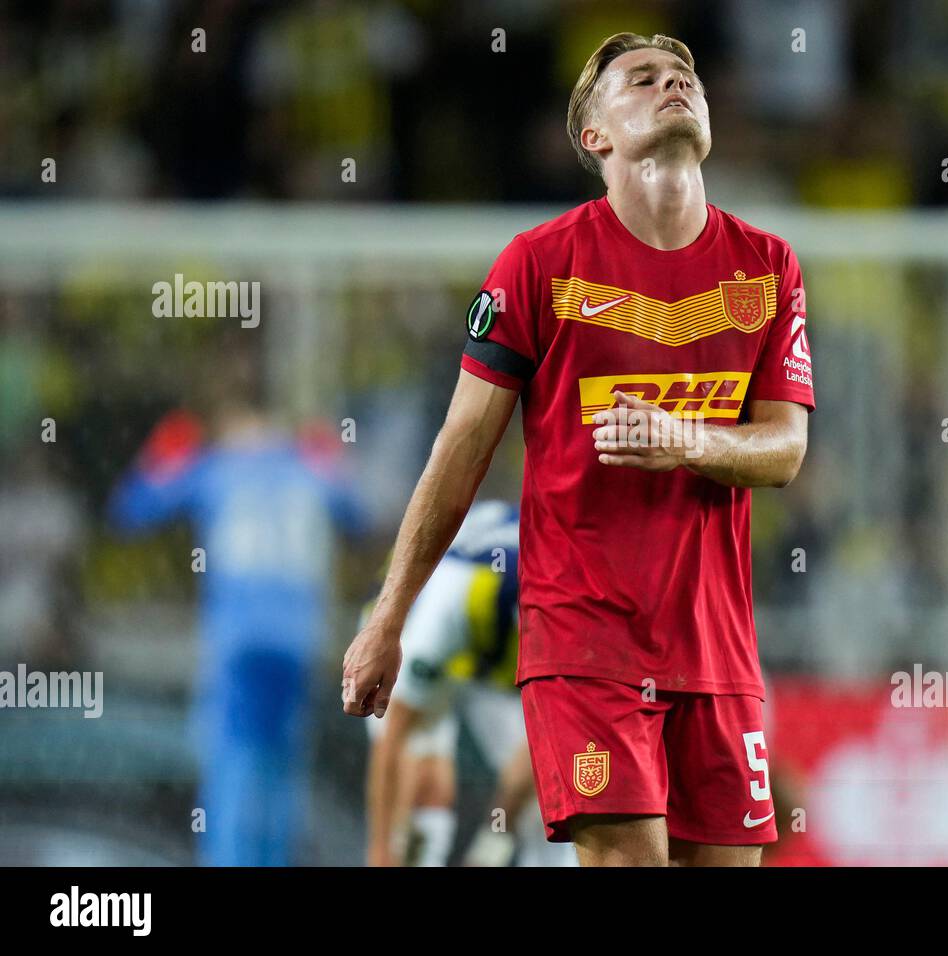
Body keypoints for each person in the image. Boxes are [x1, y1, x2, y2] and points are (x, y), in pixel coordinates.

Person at [342, 31, 814, 867]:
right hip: (583, 642)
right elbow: (461, 448)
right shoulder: (538, 265)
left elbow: (784, 449)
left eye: (683, 77)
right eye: (642, 80)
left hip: (717, 647)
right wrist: (390, 617)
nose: (672, 85)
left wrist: (683, 439)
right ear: (595, 137)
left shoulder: (768, 267)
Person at [111, 394, 368, 866]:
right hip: (296, 643)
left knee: (231, 774)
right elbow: (361, 515)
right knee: (280, 776)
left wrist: (162, 453)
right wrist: (334, 459)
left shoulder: (217, 468)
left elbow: (130, 511)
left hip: (239, 644)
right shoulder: (306, 469)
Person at [363, 499, 574, 867]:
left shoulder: (577, 621)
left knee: (555, 798)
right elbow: (395, 734)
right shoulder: (449, 602)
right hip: (414, 643)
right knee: (425, 789)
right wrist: (381, 848)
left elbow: (545, 745)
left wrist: (491, 843)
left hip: (489, 660)